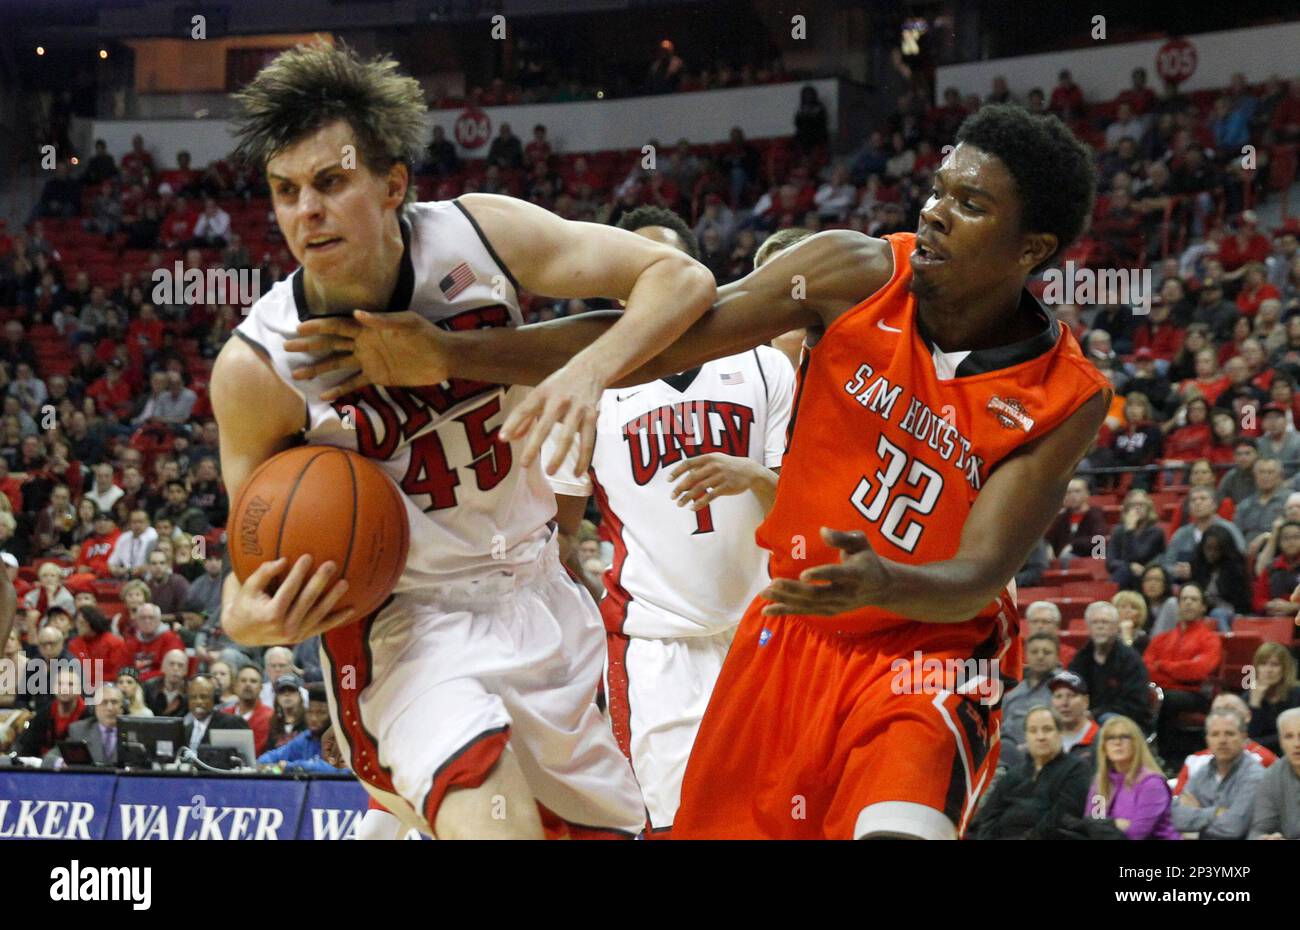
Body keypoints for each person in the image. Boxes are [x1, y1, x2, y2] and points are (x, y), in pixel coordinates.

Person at [288, 104, 1110, 839]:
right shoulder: (852, 272)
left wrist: (880, 580)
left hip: (925, 654)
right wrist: (450, 355)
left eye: (970, 206)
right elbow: (647, 344)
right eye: (938, 189)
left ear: (1031, 247)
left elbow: (976, 577)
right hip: (787, 631)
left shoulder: (1065, 394)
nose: (933, 212)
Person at [212, 43, 714, 840]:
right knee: (494, 823)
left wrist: (589, 371)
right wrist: (251, 620)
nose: (305, 211)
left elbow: (682, 281)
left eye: (330, 182)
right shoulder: (259, 366)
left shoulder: (481, 237)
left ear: (393, 184)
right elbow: (246, 579)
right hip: (407, 628)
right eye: (285, 191)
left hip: (539, 594)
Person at [540, 205, 794, 835]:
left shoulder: (766, 365)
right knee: (674, 822)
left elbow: (804, 503)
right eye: (634, 275)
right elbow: (561, 532)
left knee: (776, 816)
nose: (651, 285)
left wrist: (755, 477)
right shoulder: (587, 385)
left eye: (666, 268)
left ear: (694, 274)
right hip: (655, 644)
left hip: (761, 632)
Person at [969, 706, 1093, 839]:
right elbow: (988, 816)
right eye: (1033, 731)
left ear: (1060, 733)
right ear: (1026, 737)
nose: (1040, 737)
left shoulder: (1076, 769)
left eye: (1047, 729)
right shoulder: (1014, 775)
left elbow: (1059, 819)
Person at [1147, 583, 1223, 761]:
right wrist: (1179, 672)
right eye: (1184, 599)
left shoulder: (1210, 639)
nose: (1188, 603)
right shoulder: (1160, 639)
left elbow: (1198, 672)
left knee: (1168, 698)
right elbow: (1147, 670)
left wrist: (1163, 665)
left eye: (1194, 599)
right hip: (1163, 692)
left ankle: (1166, 758)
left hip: (1196, 695)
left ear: (1203, 607)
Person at [1170, 708, 1263, 839]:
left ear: (1244, 737)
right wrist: (1216, 812)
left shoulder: (1254, 775)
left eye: (1230, 734)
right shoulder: (1202, 772)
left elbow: (1233, 827)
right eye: (1215, 734)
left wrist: (1196, 816)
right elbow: (1176, 818)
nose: (1222, 740)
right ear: (1207, 739)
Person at [1086, 715, 1180, 840]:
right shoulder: (1101, 782)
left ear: (1136, 744)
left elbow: (1136, 834)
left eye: (1124, 737)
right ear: (1103, 747)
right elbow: (1092, 826)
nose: (1117, 742)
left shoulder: (1151, 784)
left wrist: (1108, 824)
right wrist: (1117, 823)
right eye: (1110, 738)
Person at [1069, 601, 1150, 729]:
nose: (1100, 627)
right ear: (1088, 628)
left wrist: (1095, 714)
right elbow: (1071, 690)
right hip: (1085, 719)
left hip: (1125, 721)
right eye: (1095, 622)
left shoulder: (1130, 659)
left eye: (1105, 622)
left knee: (1107, 720)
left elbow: (1135, 704)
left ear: (1116, 627)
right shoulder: (1080, 658)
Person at [1000, 632, 1062, 770]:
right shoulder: (1011, 686)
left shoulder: (1064, 687)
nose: (1040, 656)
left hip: (1046, 754)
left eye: (1047, 652)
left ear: (1058, 656)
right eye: (1034, 652)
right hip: (1007, 754)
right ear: (1026, 655)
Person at [256, 683, 344, 773]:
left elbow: (339, 769)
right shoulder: (305, 738)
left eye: (321, 713)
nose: (313, 718)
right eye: (310, 712)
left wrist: (294, 766)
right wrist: (262, 764)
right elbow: (272, 756)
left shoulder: (343, 740)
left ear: (333, 716)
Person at [43, 682, 123, 768]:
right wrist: (63, 763)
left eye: (114, 702)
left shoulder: (134, 730)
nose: (109, 708)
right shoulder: (80, 730)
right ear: (94, 707)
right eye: (103, 702)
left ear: (122, 707)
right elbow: (49, 758)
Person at [1249, 707, 1300, 839]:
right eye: (1289, 736)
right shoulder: (1272, 776)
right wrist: (1265, 838)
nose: (1297, 743)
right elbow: (1258, 830)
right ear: (1281, 742)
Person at [1188, 523, 1253, 627]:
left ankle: (1225, 641)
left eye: (1216, 549)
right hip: (1203, 611)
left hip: (1231, 613)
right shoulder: (1197, 565)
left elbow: (1242, 602)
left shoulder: (1235, 568)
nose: (1211, 553)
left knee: (1218, 613)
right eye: (1208, 548)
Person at [1245, 642, 1300, 755]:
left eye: (1275, 665)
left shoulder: (1296, 694)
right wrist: (1255, 704)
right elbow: (1248, 736)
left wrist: (1255, 743)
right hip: (1258, 757)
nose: (1268, 670)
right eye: (1263, 664)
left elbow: (1293, 735)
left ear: (1284, 669)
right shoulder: (1247, 697)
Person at [1105, 491, 1165, 590]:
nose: (1137, 508)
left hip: (1147, 575)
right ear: (1127, 509)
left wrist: (1129, 531)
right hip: (1125, 576)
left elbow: (1138, 555)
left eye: (1141, 505)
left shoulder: (1156, 532)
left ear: (1148, 508)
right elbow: (1110, 563)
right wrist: (1129, 566)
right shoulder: (1118, 530)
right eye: (1133, 505)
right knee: (1124, 570)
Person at [1044, 477, 1108, 564]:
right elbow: (1048, 539)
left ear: (1087, 494)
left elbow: (1099, 540)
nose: (1073, 495)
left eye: (1077, 491)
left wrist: (1073, 546)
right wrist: (1048, 547)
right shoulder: (1062, 517)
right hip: (1063, 559)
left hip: (1087, 560)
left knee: (1066, 559)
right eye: (1069, 492)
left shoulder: (1095, 515)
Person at [182, 675, 250, 751]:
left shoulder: (233, 723)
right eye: (193, 697)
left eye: (204, 697)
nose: (198, 702)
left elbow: (244, 758)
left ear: (214, 699)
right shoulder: (186, 729)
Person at [67, 606, 128, 690]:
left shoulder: (114, 643)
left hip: (107, 687)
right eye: (77, 622)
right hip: (80, 688)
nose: (78, 626)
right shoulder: (74, 644)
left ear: (93, 622)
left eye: (82, 623)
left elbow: (117, 673)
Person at [121, 603, 184, 682]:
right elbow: (124, 667)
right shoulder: (132, 641)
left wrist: (141, 679)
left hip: (159, 683)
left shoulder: (171, 640)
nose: (147, 621)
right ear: (137, 621)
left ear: (159, 620)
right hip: (135, 684)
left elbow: (171, 670)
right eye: (143, 618)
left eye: (151, 618)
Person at [1051, 670, 1099, 762]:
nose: (1064, 703)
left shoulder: (1101, 740)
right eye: (1058, 696)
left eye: (1071, 695)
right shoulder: (1046, 741)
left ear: (1086, 701)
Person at [222, 663, 272, 750]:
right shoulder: (224, 714)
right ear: (235, 686)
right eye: (243, 680)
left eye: (253, 681)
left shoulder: (270, 717)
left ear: (261, 688)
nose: (248, 684)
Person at [1024, 600, 1076, 665]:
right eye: (1035, 621)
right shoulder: (1017, 653)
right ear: (1028, 624)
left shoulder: (1070, 654)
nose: (1039, 626)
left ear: (1057, 625)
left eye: (1045, 622)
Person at [143, 648, 190, 717]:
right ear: (163, 667)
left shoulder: (190, 691)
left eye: (180, 665)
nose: (175, 669)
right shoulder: (148, 688)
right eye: (171, 664)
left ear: (186, 670)